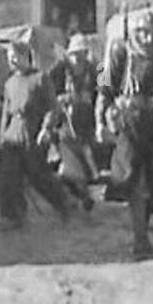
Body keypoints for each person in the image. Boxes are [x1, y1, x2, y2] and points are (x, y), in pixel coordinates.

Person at [97, 8, 153, 260]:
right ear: (134, 33)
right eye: (142, 33)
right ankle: (140, 239)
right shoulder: (118, 53)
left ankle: (143, 227)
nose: (148, 39)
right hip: (129, 125)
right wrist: (101, 119)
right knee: (135, 183)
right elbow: (103, 87)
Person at [0, 40, 71, 228]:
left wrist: (46, 128)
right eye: (10, 57)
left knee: (38, 176)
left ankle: (62, 202)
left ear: (25, 56)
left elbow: (52, 107)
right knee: (9, 177)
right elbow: (6, 112)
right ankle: (13, 216)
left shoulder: (41, 78)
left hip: (32, 131)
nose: (13, 60)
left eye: (16, 56)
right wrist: (1, 137)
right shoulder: (9, 83)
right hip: (12, 133)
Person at [46, 33, 99, 211]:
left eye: (81, 53)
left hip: (86, 123)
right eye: (74, 53)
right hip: (64, 125)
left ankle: (77, 195)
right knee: (70, 164)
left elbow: (106, 90)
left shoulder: (95, 69)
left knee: (84, 165)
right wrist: (62, 98)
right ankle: (79, 196)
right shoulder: (59, 69)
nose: (77, 57)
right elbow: (46, 87)